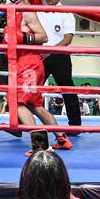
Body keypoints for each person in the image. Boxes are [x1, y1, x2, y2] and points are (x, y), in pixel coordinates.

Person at [12, 20, 73, 154]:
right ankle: (62, 139)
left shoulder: (26, 13)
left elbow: (43, 37)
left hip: (28, 66)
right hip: (30, 65)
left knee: (15, 103)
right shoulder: (17, 14)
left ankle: (40, 145)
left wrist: (22, 37)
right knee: (35, 106)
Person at [37, 0, 80, 129]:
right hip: (40, 55)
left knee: (68, 90)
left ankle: (75, 125)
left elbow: (67, 39)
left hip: (59, 55)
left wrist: (49, 51)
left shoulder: (67, 13)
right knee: (30, 90)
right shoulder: (39, 11)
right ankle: (20, 124)